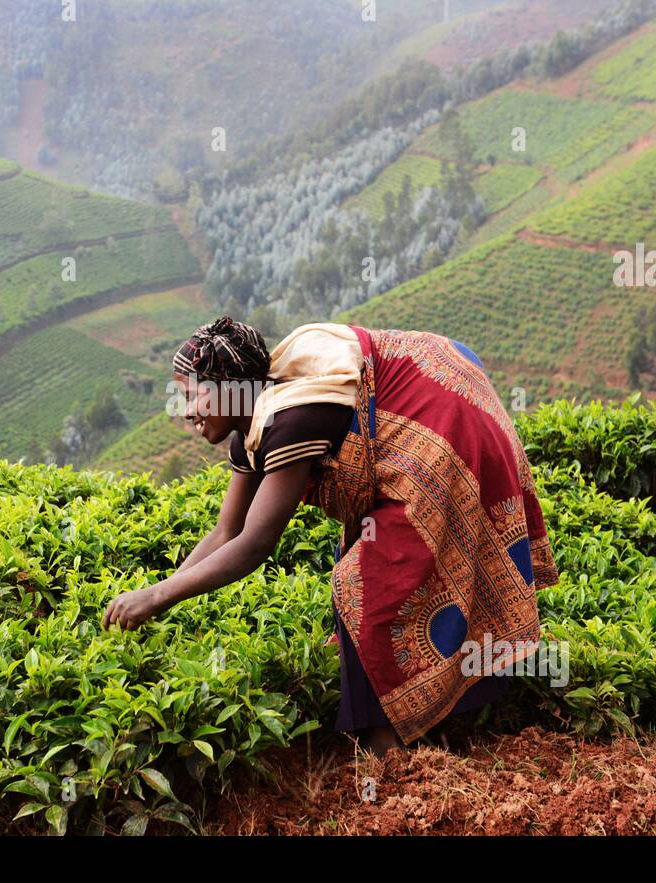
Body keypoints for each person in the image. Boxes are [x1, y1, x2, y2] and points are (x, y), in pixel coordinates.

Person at [103, 316, 559, 756]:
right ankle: (429, 721)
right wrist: (154, 595)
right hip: (439, 397)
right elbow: (227, 530)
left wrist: (158, 598)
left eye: (193, 396)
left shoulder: (290, 419)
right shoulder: (254, 429)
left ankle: (389, 746)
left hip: (444, 421)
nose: (186, 411)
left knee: (369, 585)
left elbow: (255, 544)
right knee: (371, 577)